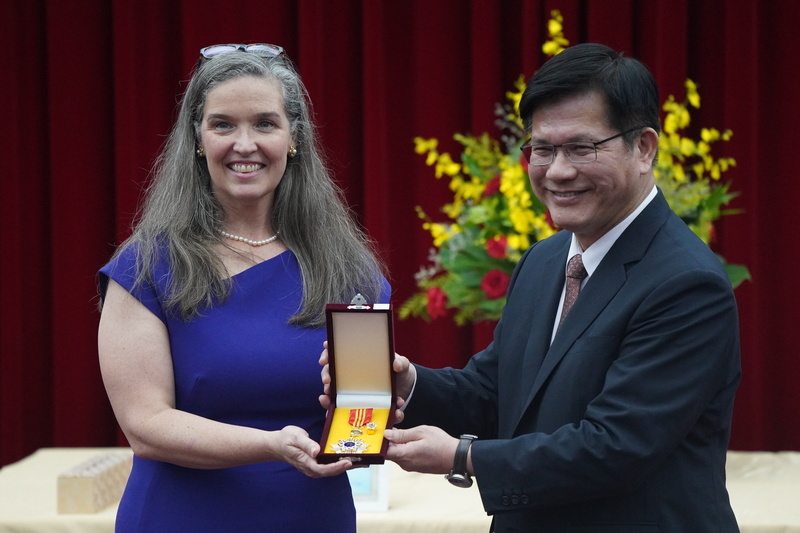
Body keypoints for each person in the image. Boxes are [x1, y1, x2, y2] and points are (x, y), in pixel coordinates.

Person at [324, 43, 741, 531]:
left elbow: (615, 447)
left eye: (581, 148)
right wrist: (409, 382)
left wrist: (463, 457)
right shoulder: (545, 260)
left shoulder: (686, 283)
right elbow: (495, 394)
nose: (558, 171)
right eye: (542, 149)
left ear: (643, 148)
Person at [98, 43, 389, 532]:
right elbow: (145, 426)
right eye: (223, 124)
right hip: (181, 518)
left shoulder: (348, 269)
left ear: (294, 137)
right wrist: (270, 445)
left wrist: (375, 417)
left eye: (265, 123)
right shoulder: (146, 266)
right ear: (197, 139)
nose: (245, 143)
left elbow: (361, 414)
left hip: (313, 517)